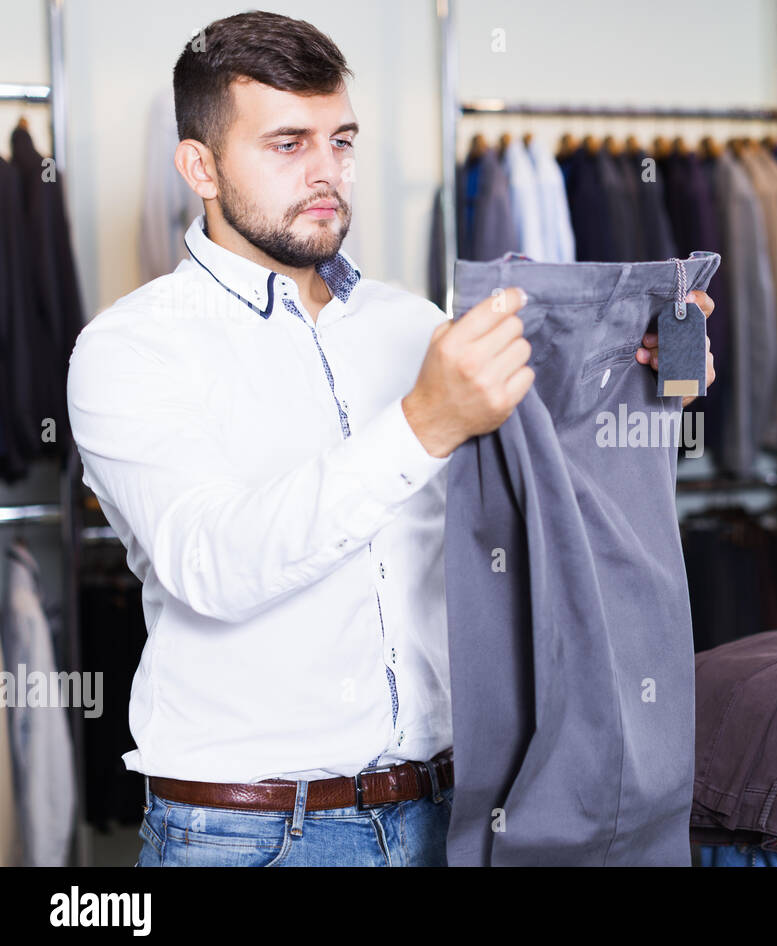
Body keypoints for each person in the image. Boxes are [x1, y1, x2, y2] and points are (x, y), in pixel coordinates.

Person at [65, 10, 714, 867]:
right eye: (288, 145)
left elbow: (546, 502)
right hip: (250, 837)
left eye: (342, 140)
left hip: (450, 813)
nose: (328, 173)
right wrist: (422, 425)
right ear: (200, 166)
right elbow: (212, 565)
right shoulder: (130, 348)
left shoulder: (418, 326)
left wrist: (645, 381)